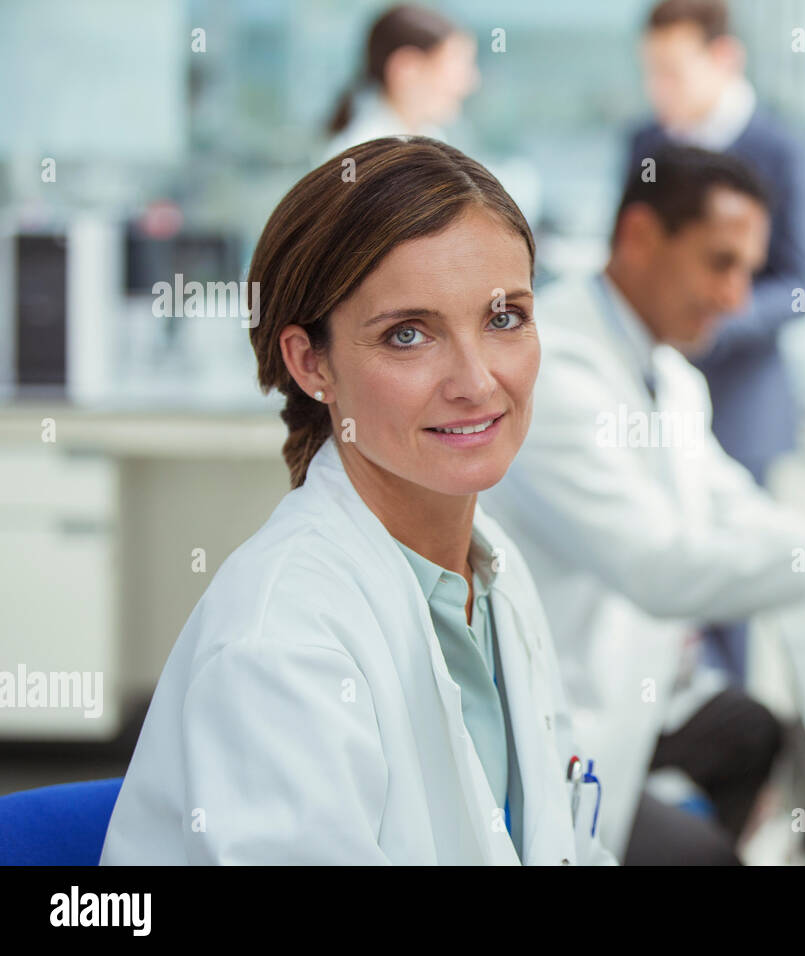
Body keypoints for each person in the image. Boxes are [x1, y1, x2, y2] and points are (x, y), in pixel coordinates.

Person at [100, 137, 614, 865]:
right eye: (408, 335)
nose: (475, 381)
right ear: (312, 363)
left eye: (504, 319)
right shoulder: (279, 643)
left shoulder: (494, 575)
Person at [482, 145, 805, 864]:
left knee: (750, 730)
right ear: (641, 236)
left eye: (750, 271)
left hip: (643, 701)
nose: (737, 298)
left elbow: (740, 513)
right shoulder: (555, 372)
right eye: (720, 263)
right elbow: (658, 569)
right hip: (555, 732)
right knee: (706, 858)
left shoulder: (669, 375)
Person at [629, 0, 805, 681]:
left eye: (673, 72)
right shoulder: (646, 144)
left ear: (724, 60)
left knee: (732, 584)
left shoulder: (780, 149)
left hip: (741, 400)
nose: (660, 91)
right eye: (650, 72)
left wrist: (712, 318)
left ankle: (729, 757)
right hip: (647, 392)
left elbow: (802, 283)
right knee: (650, 581)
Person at [323, 4, 479, 158]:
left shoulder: (426, 135)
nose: (471, 83)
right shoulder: (362, 157)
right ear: (406, 69)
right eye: (457, 67)